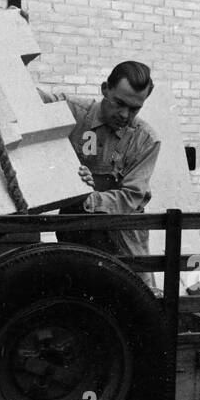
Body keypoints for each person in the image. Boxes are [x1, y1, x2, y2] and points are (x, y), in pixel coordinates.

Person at [39, 61, 160, 274]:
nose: (124, 114)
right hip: (74, 230)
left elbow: (130, 197)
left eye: (134, 108)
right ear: (105, 89)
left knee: (133, 295)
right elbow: (27, 97)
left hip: (122, 238)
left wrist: (83, 195)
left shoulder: (146, 141)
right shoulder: (74, 112)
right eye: (119, 103)